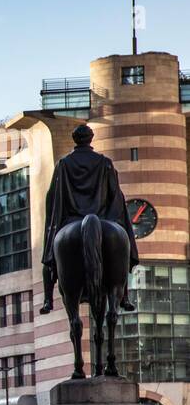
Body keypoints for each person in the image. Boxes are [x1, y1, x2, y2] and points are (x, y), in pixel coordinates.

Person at [40, 123, 138, 314]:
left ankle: (47, 299)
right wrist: (113, 220)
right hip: (103, 219)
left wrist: (54, 223)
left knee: (49, 257)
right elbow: (115, 195)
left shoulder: (63, 164)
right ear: (91, 138)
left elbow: (53, 197)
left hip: (70, 221)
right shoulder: (105, 162)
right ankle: (124, 296)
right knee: (122, 251)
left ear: (74, 140)